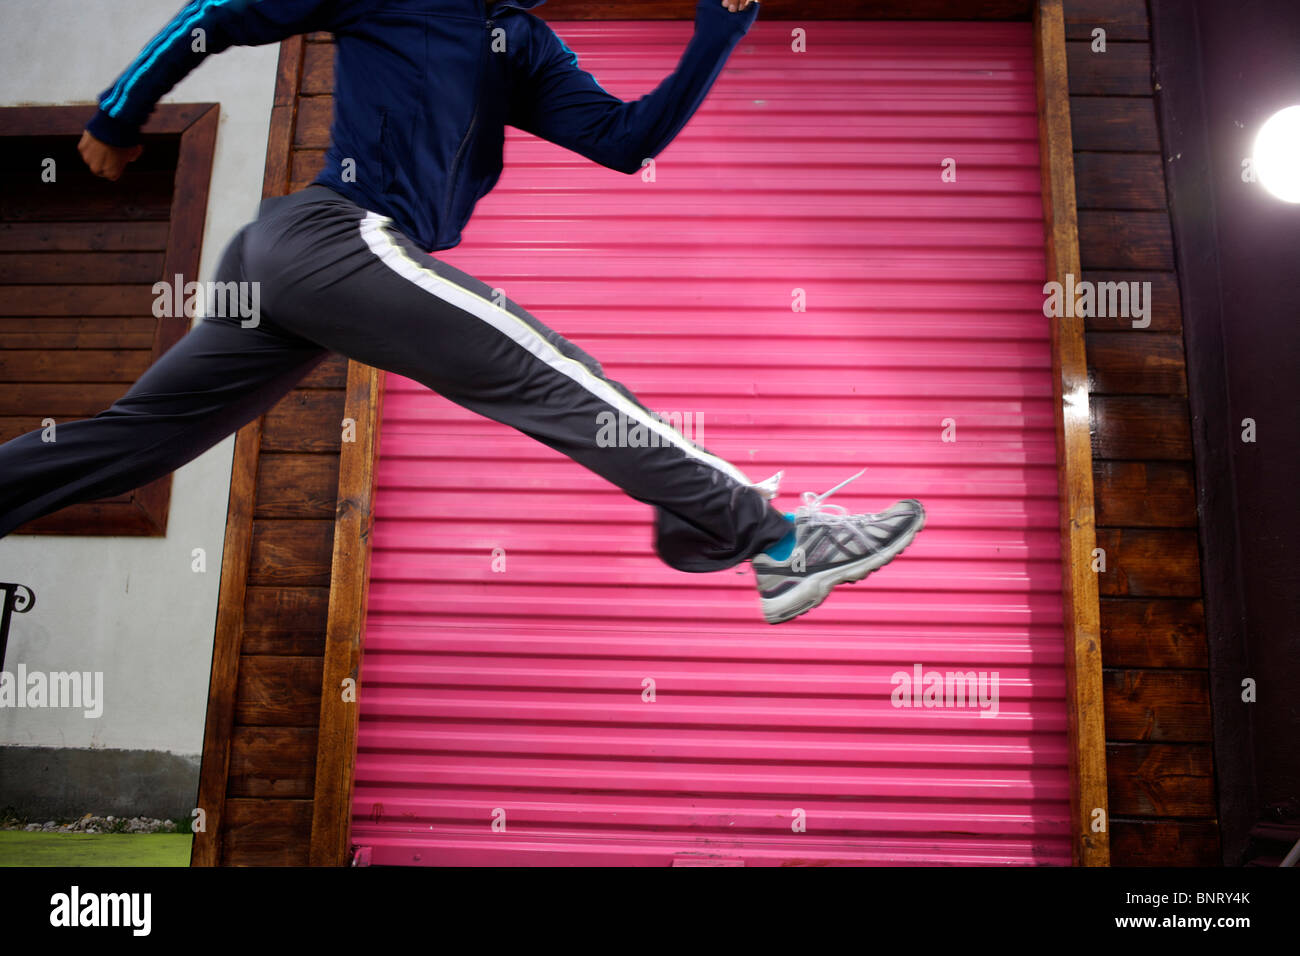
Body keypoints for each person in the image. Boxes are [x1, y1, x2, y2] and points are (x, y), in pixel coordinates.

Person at [0, 0, 924, 625]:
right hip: (335, 234)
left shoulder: (519, 42)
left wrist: (720, 27)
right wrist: (121, 115)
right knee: (545, 370)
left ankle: (721, 525)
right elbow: (223, 12)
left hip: (304, 272)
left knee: (134, 441)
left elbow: (624, 139)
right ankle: (778, 540)